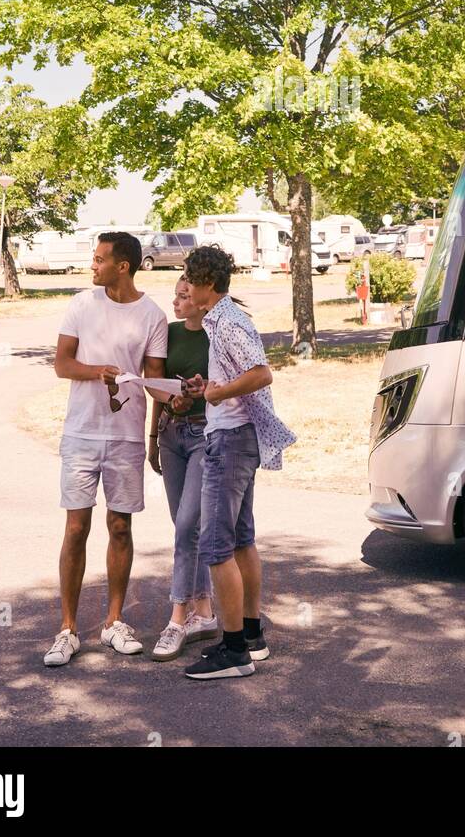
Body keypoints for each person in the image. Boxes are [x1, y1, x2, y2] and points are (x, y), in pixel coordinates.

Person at [43, 232, 168, 667]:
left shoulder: (152, 314)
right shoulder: (81, 304)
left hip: (126, 438)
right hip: (81, 434)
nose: (92, 266)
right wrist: (98, 372)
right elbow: (62, 364)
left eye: (99, 260)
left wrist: (157, 435)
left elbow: (155, 383)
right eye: (92, 259)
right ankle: (67, 630)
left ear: (123, 266)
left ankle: (114, 622)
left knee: (120, 528)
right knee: (76, 528)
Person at [179, 245, 296, 681]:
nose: (185, 286)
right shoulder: (222, 321)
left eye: (189, 277)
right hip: (237, 438)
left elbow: (261, 373)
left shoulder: (227, 321)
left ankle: (232, 653)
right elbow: (238, 374)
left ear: (207, 282)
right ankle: (251, 635)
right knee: (242, 539)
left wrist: (219, 394)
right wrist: (208, 385)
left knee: (215, 547)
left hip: (229, 441)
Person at [147, 276, 218, 660]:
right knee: (184, 528)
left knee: (189, 525)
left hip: (204, 436)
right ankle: (204, 611)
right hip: (170, 436)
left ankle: (176, 619)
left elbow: (230, 385)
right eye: (175, 294)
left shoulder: (216, 336)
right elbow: (155, 383)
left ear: (202, 300)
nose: (176, 301)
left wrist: (203, 389)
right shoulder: (169, 332)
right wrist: (153, 440)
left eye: (184, 296)